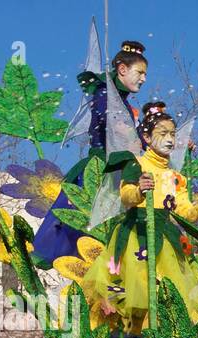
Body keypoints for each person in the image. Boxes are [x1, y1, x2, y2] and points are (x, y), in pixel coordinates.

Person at [81, 103, 198, 330]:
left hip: (166, 239)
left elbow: (185, 212)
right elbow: (125, 196)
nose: (169, 140)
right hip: (137, 234)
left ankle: (158, 336)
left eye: (173, 134)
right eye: (163, 134)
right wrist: (139, 191)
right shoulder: (137, 164)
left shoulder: (175, 177)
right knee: (137, 289)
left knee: (170, 291)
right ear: (146, 137)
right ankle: (132, 335)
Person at [33, 41, 148, 265]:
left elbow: (136, 135)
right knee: (84, 222)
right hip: (101, 170)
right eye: (140, 72)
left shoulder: (123, 102)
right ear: (123, 70)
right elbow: (110, 121)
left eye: (145, 74)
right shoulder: (104, 93)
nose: (143, 79)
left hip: (119, 168)